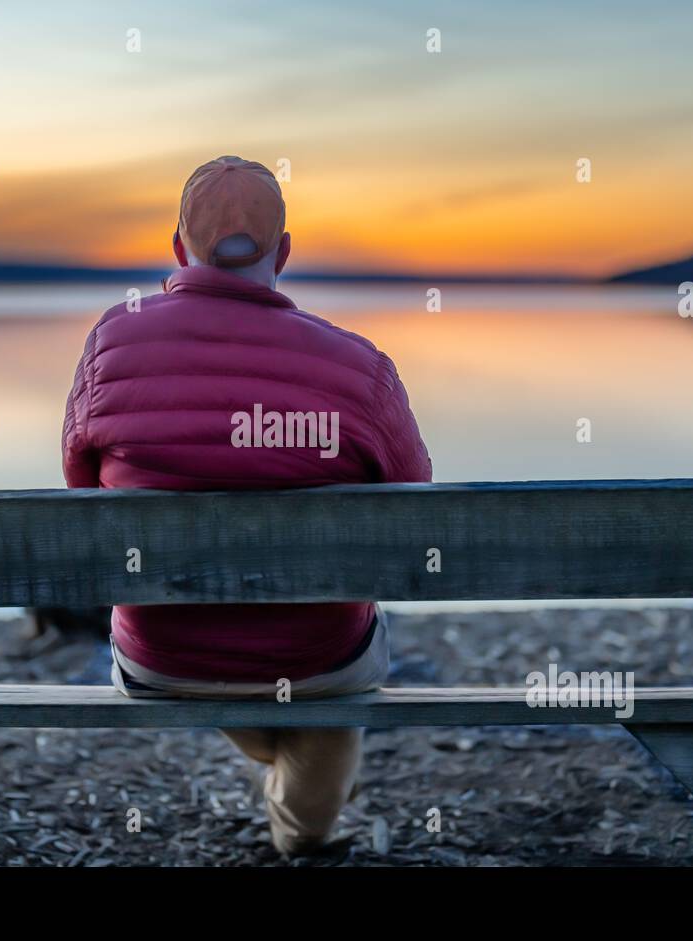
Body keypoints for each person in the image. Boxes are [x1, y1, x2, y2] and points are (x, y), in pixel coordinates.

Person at [61, 155, 432, 856]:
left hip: (161, 655)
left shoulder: (112, 343)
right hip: (320, 657)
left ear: (178, 247)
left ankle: (293, 789)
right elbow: (415, 516)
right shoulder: (360, 369)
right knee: (332, 694)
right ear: (284, 252)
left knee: (251, 669)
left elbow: (84, 493)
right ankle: (303, 832)